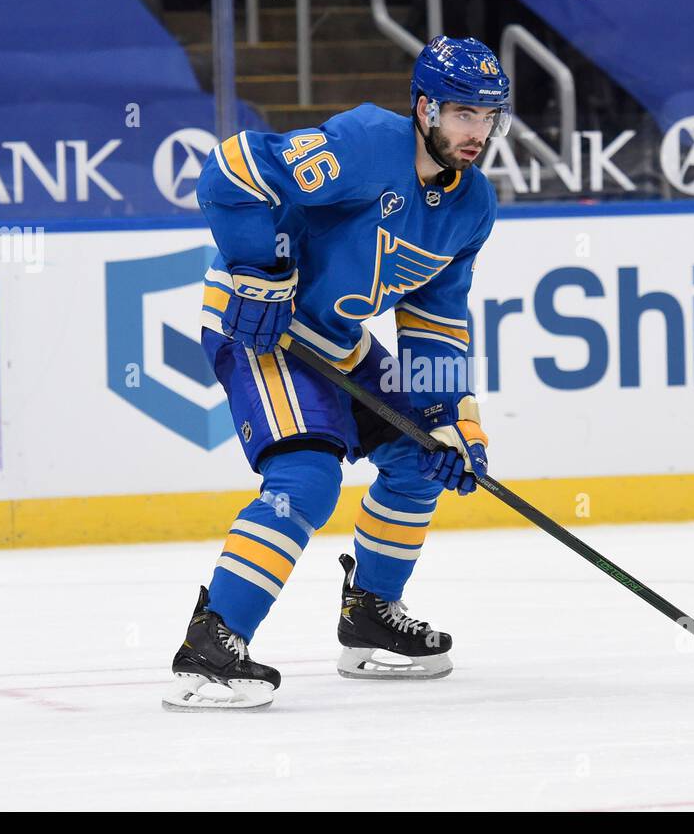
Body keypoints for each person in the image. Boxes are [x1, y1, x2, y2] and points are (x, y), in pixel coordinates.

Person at [163, 35, 510, 711]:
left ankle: (371, 613)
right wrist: (258, 270)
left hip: (334, 339)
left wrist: (451, 418)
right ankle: (213, 640)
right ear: (424, 107)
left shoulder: (472, 207)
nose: (477, 133)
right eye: (463, 114)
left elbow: (436, 315)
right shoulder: (367, 143)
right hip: (259, 324)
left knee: (419, 454)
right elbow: (231, 170)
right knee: (306, 477)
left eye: (489, 117)